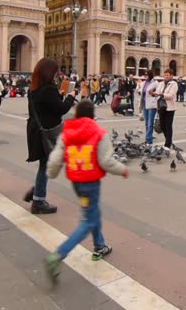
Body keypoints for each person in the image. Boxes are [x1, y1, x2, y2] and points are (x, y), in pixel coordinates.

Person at [44, 100, 128, 283]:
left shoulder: (67, 131)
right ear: (92, 115)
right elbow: (106, 161)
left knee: (93, 212)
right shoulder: (98, 132)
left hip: (76, 182)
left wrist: (51, 173)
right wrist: (122, 170)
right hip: (90, 183)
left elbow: (56, 157)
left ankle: (99, 245)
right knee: (88, 221)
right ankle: (58, 254)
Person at [26, 58, 77, 215]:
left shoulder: (34, 88)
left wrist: (58, 94)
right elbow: (60, 109)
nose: (57, 74)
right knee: (47, 164)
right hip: (47, 131)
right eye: (55, 71)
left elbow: (48, 107)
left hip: (36, 130)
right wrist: (70, 96)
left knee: (47, 162)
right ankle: (38, 199)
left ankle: (36, 190)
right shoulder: (48, 89)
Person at [154, 68, 179, 150]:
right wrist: (154, 94)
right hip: (161, 106)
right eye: (165, 75)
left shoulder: (174, 84)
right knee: (162, 125)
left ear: (172, 75)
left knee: (168, 125)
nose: (165, 77)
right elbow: (157, 92)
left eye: (167, 75)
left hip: (169, 108)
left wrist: (161, 95)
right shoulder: (161, 83)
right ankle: (168, 140)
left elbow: (171, 95)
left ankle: (167, 144)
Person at [140, 71, 157, 144]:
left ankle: (149, 140)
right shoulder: (144, 83)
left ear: (150, 75)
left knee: (150, 123)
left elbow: (158, 93)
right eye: (144, 75)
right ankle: (148, 138)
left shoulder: (155, 83)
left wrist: (153, 92)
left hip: (151, 105)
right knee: (146, 123)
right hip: (144, 104)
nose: (145, 76)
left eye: (146, 75)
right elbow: (141, 92)